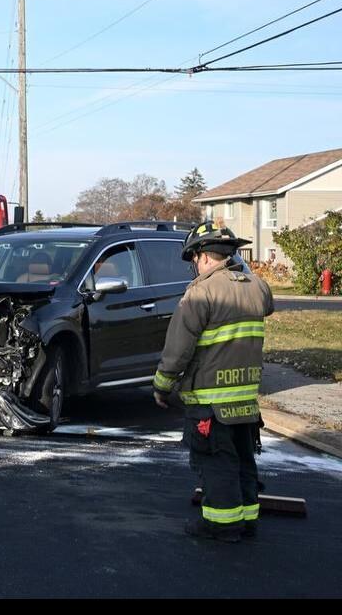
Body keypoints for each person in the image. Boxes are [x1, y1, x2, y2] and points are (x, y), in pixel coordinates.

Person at [153, 222, 274, 542]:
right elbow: (267, 309)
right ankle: (247, 519)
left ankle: (221, 525)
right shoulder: (258, 286)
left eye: (194, 258)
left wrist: (162, 385)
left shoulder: (201, 292)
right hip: (245, 400)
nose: (195, 265)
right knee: (244, 461)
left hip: (210, 403)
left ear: (204, 256)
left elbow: (178, 350)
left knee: (217, 464)